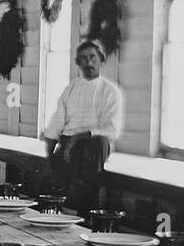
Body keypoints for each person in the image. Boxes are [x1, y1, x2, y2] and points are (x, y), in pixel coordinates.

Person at [43, 39, 124, 215]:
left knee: (97, 146)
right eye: (83, 59)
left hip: (93, 144)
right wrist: (49, 157)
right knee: (49, 175)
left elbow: (112, 130)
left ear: (101, 60)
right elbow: (57, 123)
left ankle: (85, 213)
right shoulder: (70, 89)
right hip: (68, 144)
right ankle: (61, 210)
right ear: (78, 63)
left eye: (93, 57)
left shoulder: (110, 91)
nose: (89, 63)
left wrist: (79, 137)